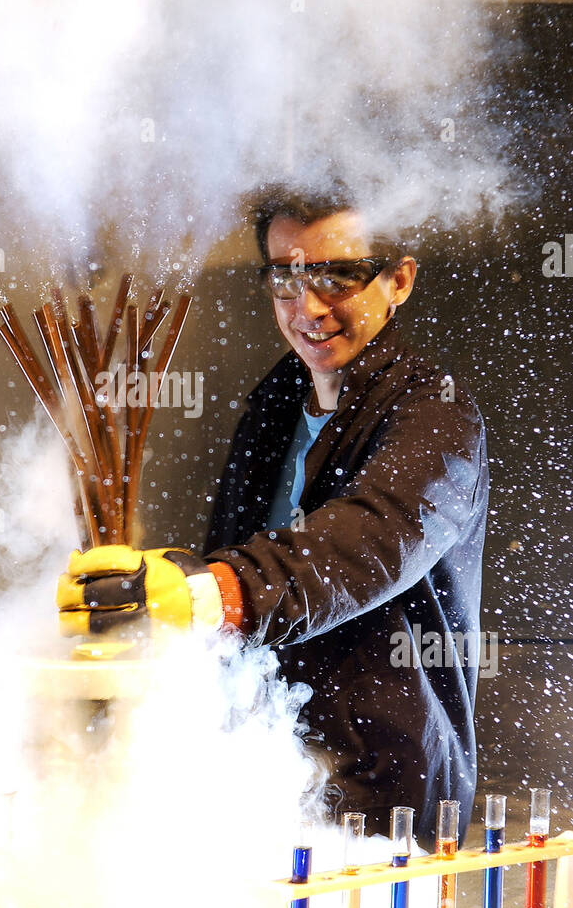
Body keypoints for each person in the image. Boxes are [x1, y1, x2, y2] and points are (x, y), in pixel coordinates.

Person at [57, 185, 489, 846]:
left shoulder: (436, 415)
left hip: (383, 805)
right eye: (285, 278)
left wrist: (209, 595)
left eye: (337, 276)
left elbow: (366, 541)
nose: (307, 308)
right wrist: (157, 582)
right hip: (263, 780)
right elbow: (240, 554)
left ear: (397, 280)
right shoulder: (273, 406)